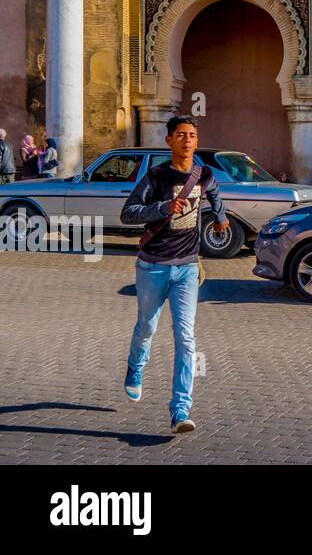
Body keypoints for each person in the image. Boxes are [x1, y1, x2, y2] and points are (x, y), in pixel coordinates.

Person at [120, 114, 228, 435]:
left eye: (192, 135)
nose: (187, 140)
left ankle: (180, 410)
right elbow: (128, 213)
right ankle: (135, 368)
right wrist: (163, 208)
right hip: (152, 266)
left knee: (186, 337)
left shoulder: (203, 173)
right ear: (169, 140)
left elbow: (215, 194)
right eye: (180, 135)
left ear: (197, 140)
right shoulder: (155, 176)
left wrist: (220, 218)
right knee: (147, 327)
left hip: (187, 268)